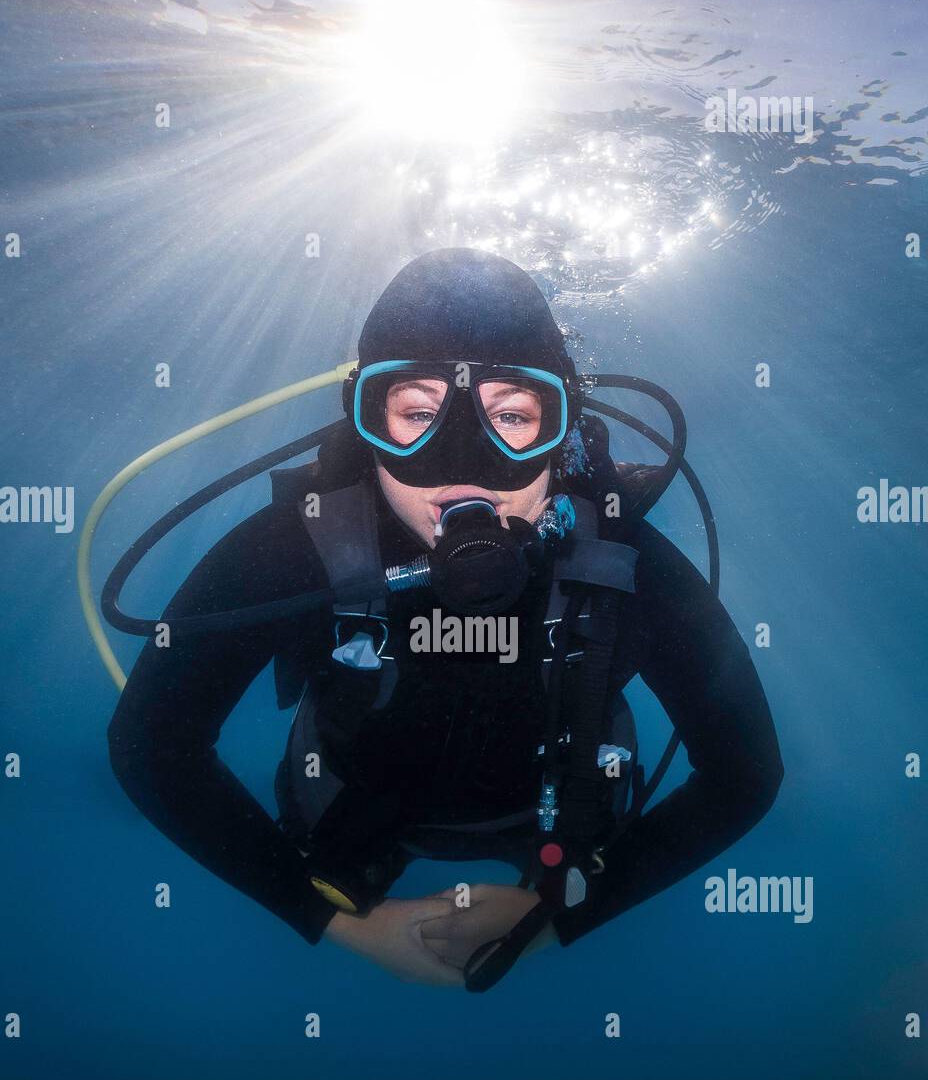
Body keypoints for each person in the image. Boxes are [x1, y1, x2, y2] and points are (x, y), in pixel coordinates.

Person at [108, 248, 783, 989]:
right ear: (366, 417)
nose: (462, 464)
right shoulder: (299, 543)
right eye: (418, 414)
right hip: (350, 814)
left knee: (574, 849)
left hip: (557, 822)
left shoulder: (619, 556)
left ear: (564, 424)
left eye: (513, 416)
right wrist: (344, 926)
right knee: (335, 854)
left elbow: (744, 775)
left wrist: (556, 920)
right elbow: (151, 744)